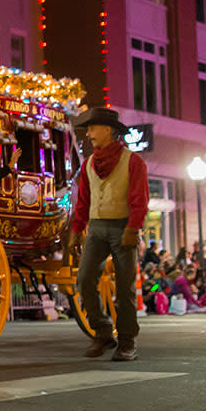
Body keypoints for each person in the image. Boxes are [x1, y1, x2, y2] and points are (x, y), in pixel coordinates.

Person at [69, 107, 148, 361]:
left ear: (109, 131)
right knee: (84, 280)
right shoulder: (90, 164)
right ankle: (103, 333)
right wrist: (76, 229)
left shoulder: (133, 161)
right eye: (88, 129)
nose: (89, 133)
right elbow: (82, 202)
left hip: (123, 227)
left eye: (93, 128)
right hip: (96, 228)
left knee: (124, 288)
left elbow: (140, 200)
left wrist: (133, 228)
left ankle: (127, 342)